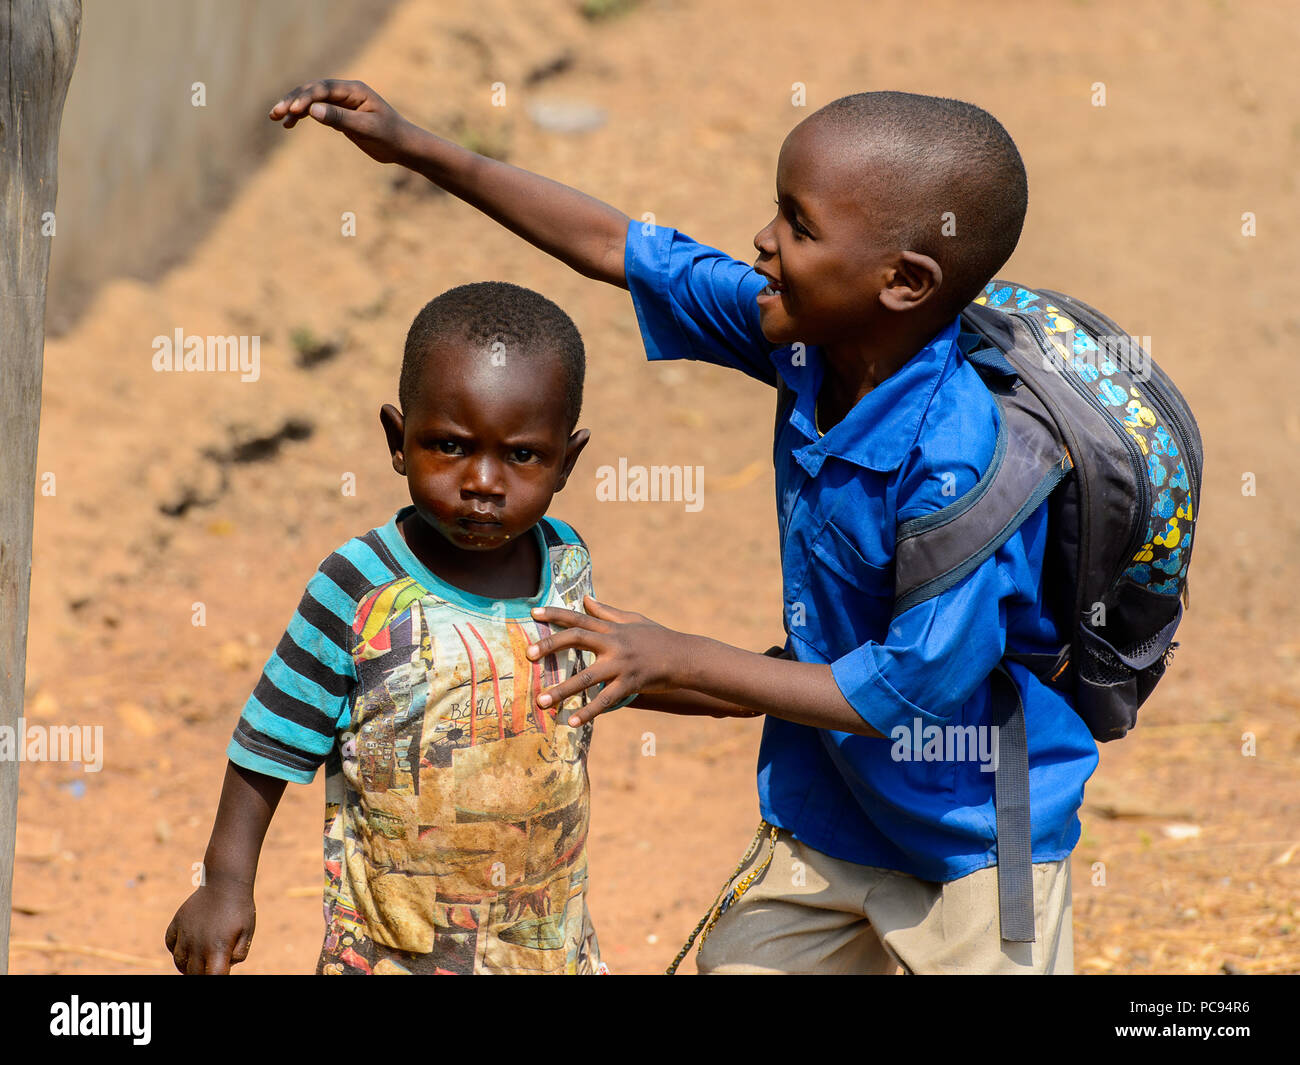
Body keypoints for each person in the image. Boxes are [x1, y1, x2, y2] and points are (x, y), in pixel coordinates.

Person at [261, 82, 1099, 974]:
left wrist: (680, 657)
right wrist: (419, 147)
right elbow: (613, 246)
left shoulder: (960, 464)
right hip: (832, 806)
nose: (763, 241)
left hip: (970, 834)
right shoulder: (807, 339)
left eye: (798, 226)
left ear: (902, 282)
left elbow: (904, 694)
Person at [164, 281, 734, 974]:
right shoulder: (359, 587)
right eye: (449, 446)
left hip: (547, 950)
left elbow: (612, 672)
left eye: (521, 455)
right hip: (391, 955)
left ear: (567, 461)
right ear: (397, 441)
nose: (483, 481)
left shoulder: (566, 562)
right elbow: (271, 738)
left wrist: (758, 683)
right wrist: (225, 882)